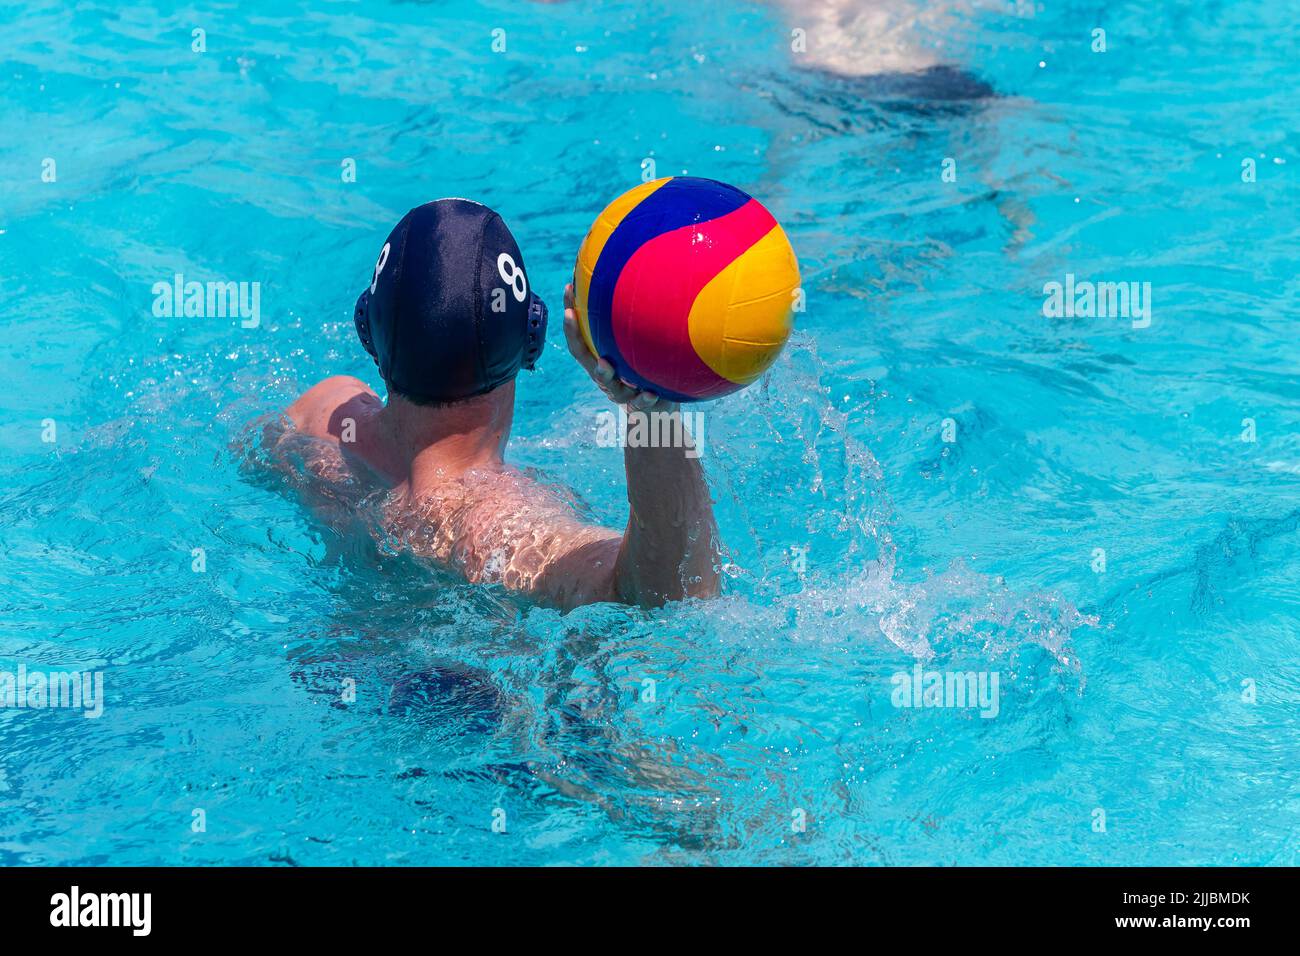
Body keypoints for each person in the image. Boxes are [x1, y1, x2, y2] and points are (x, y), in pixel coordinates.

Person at [272, 199, 721, 610]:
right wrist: (649, 411)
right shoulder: (493, 527)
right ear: (532, 340)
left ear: (369, 330)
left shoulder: (322, 415)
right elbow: (670, 597)